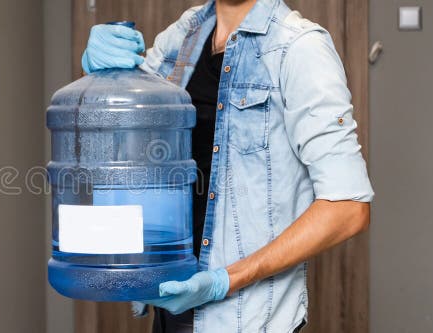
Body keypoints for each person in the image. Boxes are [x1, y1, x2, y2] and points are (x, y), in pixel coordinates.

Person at [81, 0, 374, 332]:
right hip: (169, 302)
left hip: (244, 318)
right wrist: (109, 72)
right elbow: (122, 137)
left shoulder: (299, 49)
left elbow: (348, 208)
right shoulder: (183, 34)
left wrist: (225, 281)